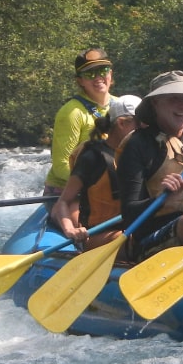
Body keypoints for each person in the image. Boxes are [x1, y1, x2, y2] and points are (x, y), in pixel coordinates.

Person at [115, 71, 183, 261]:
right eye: (173, 98)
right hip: (152, 239)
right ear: (155, 103)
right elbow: (129, 214)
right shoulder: (138, 145)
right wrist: (163, 200)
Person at [49, 94, 140, 249]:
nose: (145, 131)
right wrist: (70, 229)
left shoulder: (138, 153)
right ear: (122, 123)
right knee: (139, 242)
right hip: (100, 235)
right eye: (140, 125)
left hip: (130, 229)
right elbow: (63, 201)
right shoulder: (92, 157)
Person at [44, 48, 116, 195]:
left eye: (103, 70)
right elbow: (61, 165)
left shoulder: (122, 105)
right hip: (67, 191)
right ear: (80, 81)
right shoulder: (71, 112)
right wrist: (96, 184)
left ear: (110, 73)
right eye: (90, 73)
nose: (98, 77)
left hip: (109, 187)